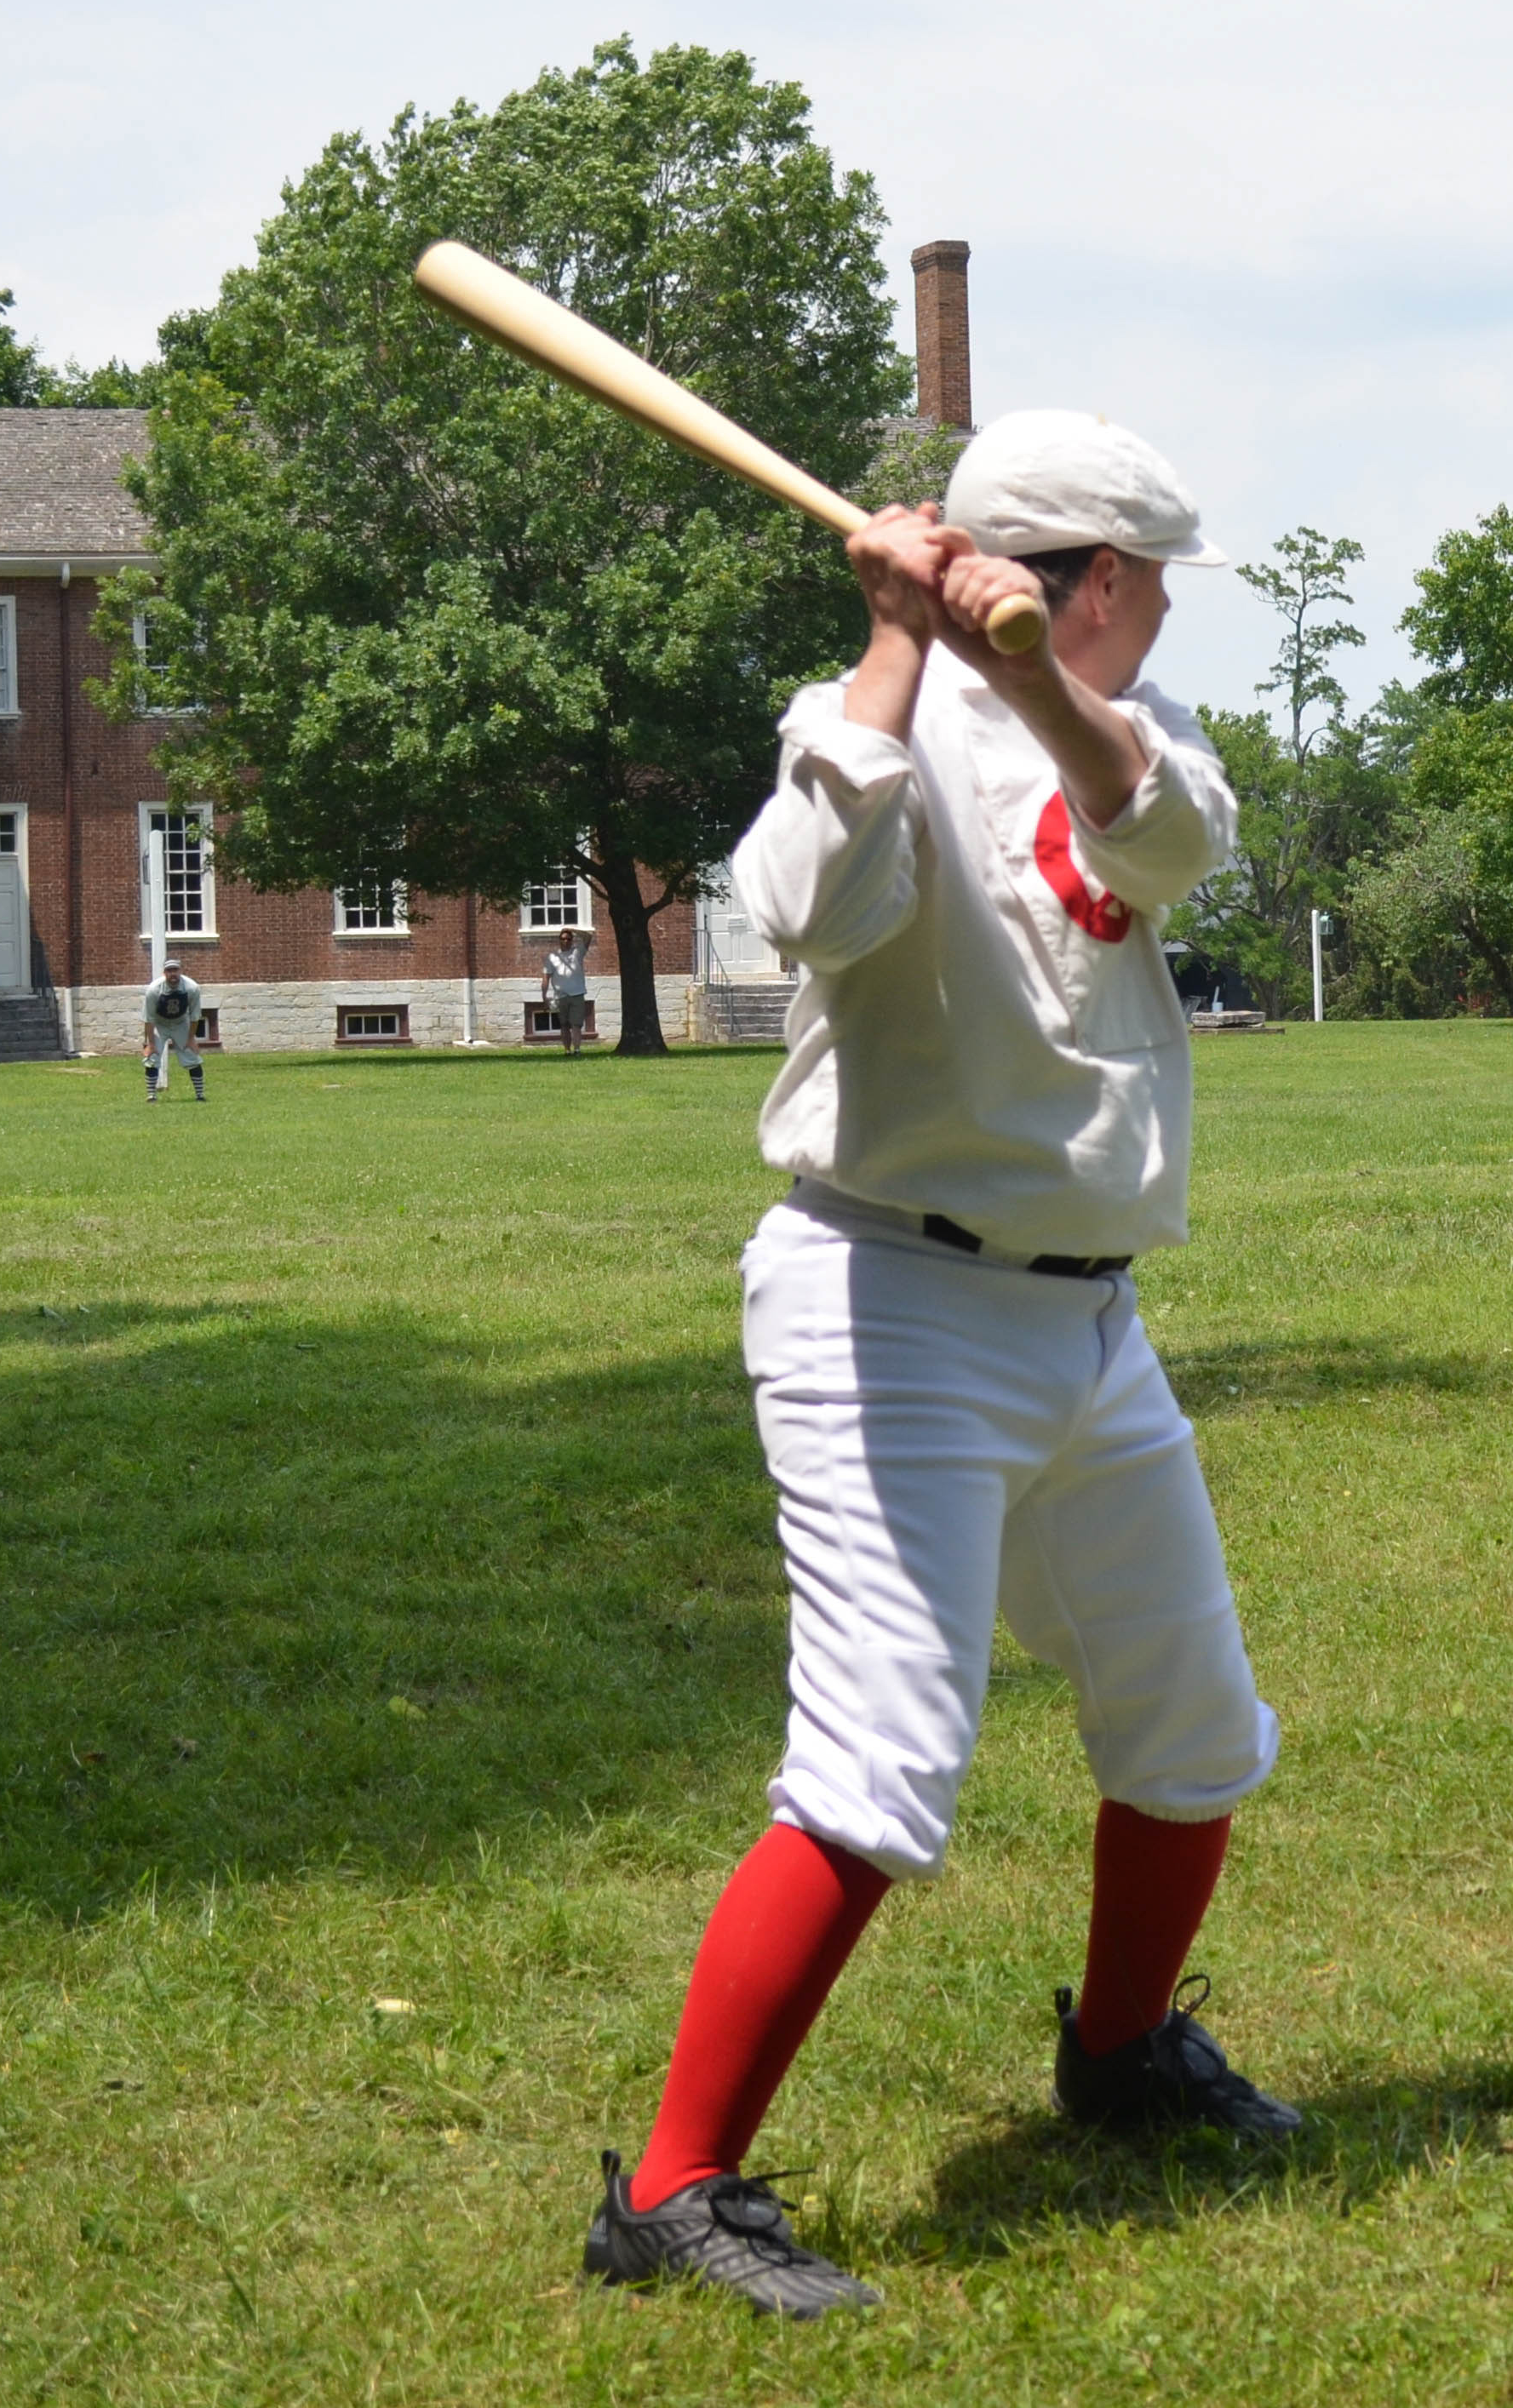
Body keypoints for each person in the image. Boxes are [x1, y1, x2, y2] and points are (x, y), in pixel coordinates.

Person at [581, 413, 1279, 2321]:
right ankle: (670, 2189)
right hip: (888, 1301)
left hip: (1086, 1313)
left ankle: (1118, 2055)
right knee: (879, 1764)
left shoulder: (1130, 727)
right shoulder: (859, 723)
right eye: (1152, 585)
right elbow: (798, 909)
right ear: (1108, 575)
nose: (1161, 613)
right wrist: (894, 642)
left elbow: (1165, 839)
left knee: (1192, 1726)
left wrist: (1026, 668)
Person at [140, 955, 206, 1102]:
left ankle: (200, 1096)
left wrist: (191, 1039)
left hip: (180, 1022)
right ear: (164, 973)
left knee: (192, 1056)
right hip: (159, 1023)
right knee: (152, 1057)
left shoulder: (192, 988)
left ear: (180, 971)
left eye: (175, 970)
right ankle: (151, 1096)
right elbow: (148, 1018)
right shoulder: (153, 990)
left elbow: (195, 1015)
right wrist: (151, 1044)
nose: (173, 974)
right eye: (169, 971)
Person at [541, 930, 593, 1055]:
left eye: (569, 939)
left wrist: (572, 929)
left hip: (577, 994)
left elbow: (588, 936)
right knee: (564, 1025)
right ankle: (567, 1050)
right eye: (563, 939)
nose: (566, 941)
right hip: (561, 996)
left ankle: (577, 1050)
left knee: (576, 1025)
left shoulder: (577, 952)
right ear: (559, 940)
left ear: (572, 941)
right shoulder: (552, 957)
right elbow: (546, 978)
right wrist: (544, 997)